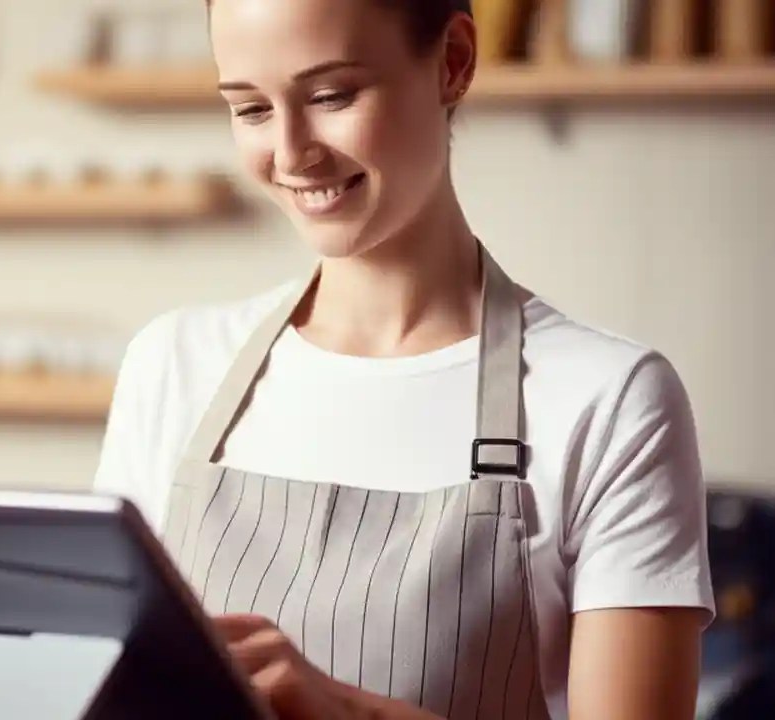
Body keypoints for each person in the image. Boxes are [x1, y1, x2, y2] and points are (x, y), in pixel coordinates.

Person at [94, 0, 715, 718]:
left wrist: (344, 711)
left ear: (453, 60)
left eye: (331, 96)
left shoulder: (609, 400)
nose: (292, 153)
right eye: (252, 108)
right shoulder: (173, 365)